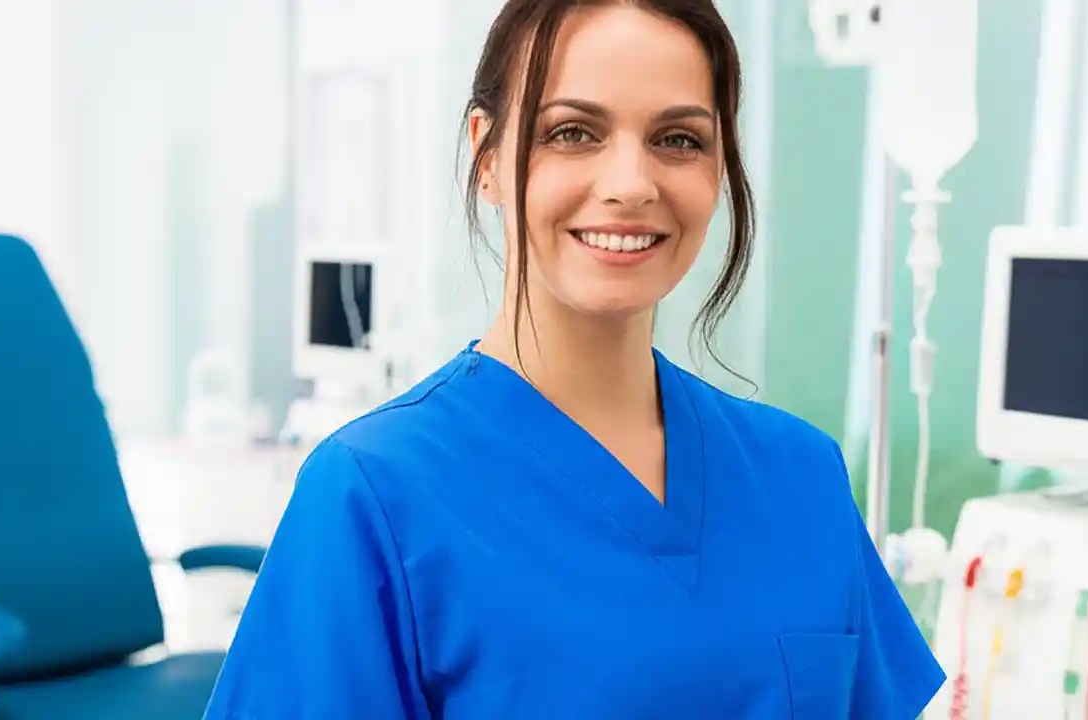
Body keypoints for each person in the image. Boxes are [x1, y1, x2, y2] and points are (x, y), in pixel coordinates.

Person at [204, 1, 944, 717]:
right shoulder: (373, 494)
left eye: (678, 139)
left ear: (719, 168)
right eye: (573, 132)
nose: (631, 184)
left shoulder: (801, 476)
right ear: (487, 156)